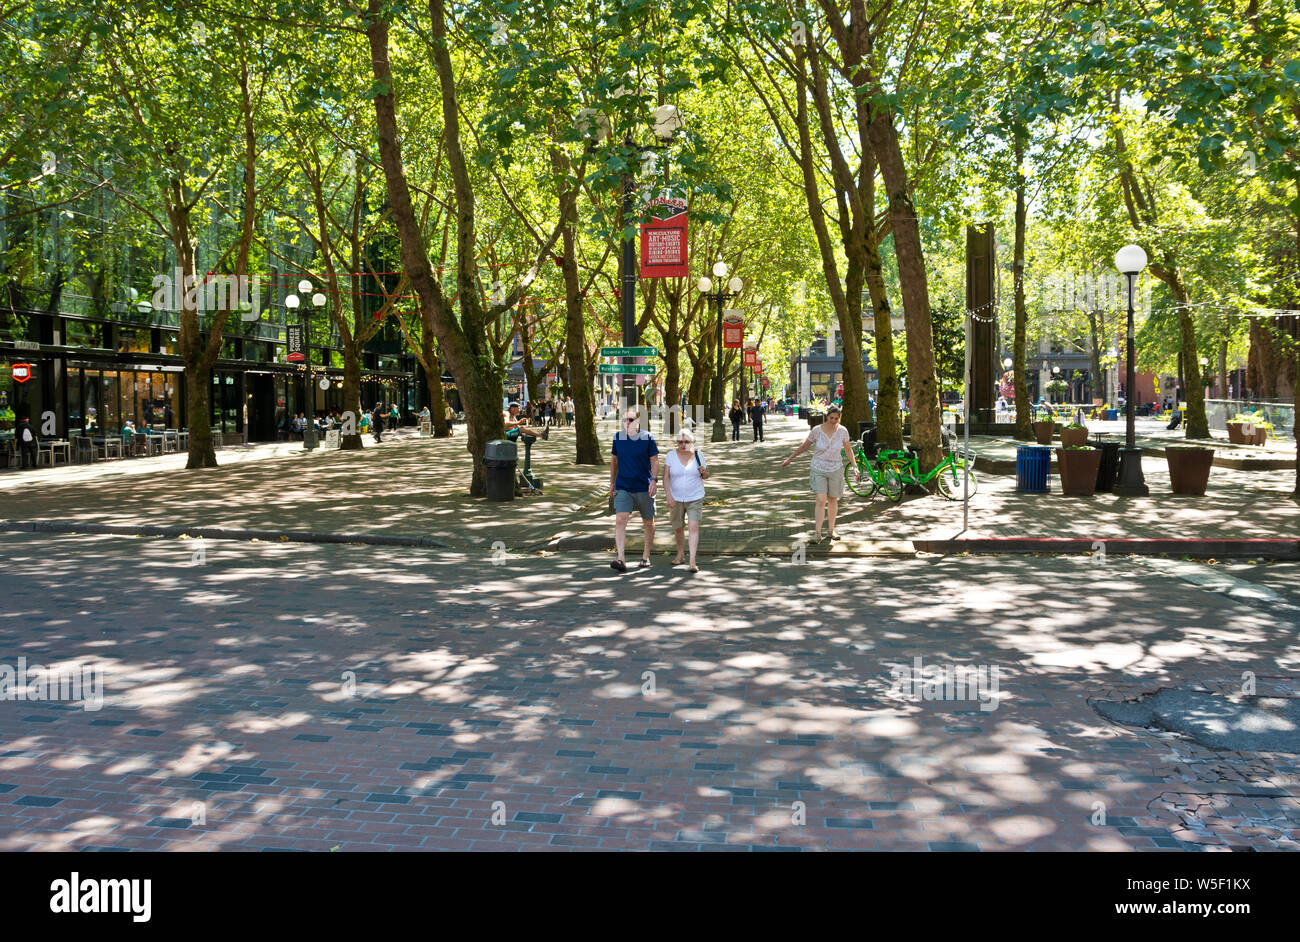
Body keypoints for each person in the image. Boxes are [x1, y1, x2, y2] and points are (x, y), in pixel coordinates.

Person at [781, 404, 857, 543]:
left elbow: (848, 449)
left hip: (835, 468)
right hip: (819, 467)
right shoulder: (817, 430)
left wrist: (855, 466)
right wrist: (790, 458)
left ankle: (831, 530)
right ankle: (817, 533)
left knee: (833, 499)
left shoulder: (842, 431)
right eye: (831, 418)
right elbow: (805, 446)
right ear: (826, 416)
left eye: (836, 418)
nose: (833, 421)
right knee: (821, 499)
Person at [609, 407, 659, 572]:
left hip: (644, 487)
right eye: (625, 420)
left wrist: (654, 480)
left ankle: (645, 556)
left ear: (637, 422)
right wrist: (612, 483)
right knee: (620, 519)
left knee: (648, 522)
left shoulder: (647, 437)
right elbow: (614, 461)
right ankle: (621, 559)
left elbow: (655, 461)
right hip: (624, 486)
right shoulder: (618, 437)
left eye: (630, 420)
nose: (627, 423)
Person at [663, 428, 708, 573]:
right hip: (676, 498)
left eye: (686, 442)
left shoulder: (699, 455)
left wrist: (704, 472)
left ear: (692, 442)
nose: (683, 445)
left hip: (695, 496)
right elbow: (665, 477)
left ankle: (692, 561)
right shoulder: (670, 456)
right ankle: (680, 552)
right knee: (678, 527)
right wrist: (668, 495)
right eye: (680, 442)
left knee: (693, 526)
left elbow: (706, 475)